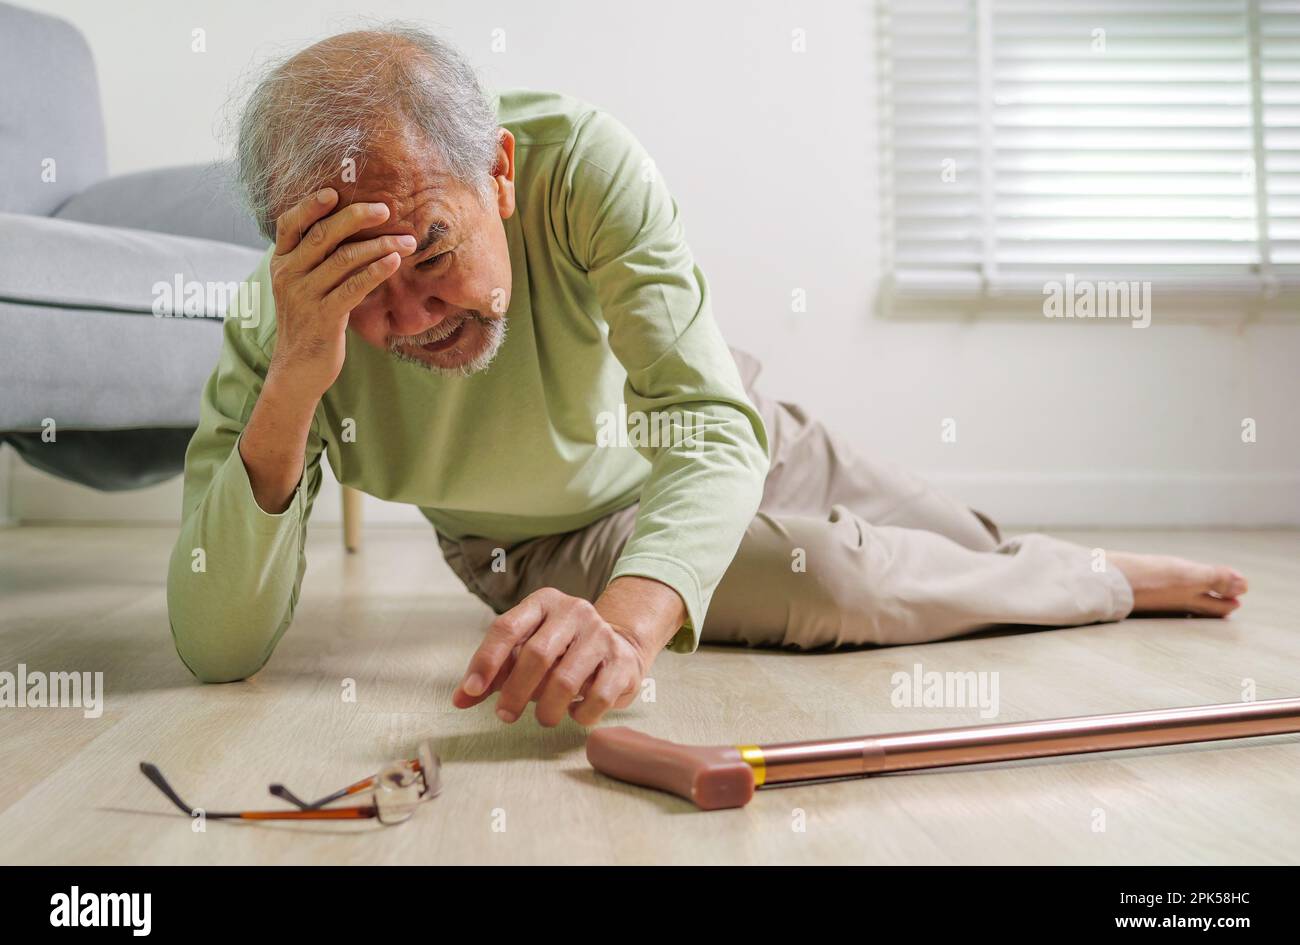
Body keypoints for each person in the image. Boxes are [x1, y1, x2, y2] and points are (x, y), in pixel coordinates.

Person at [167, 26, 1248, 729]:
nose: (407, 317)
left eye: (433, 256)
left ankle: (1063, 564)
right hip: (546, 531)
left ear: (499, 173)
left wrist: (628, 625)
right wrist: (301, 373)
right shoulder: (284, 317)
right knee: (846, 580)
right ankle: (1104, 580)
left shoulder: (578, 159)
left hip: (732, 423)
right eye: (363, 287)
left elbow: (702, 417)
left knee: (959, 538)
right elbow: (217, 648)